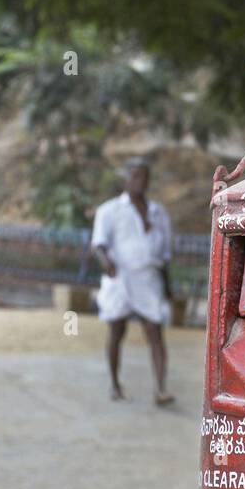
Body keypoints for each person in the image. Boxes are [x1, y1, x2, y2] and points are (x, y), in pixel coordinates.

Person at [90, 160, 175, 405]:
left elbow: (166, 253)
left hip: (149, 279)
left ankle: (161, 389)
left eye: (144, 177)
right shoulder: (110, 210)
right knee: (117, 330)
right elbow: (98, 244)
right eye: (135, 176)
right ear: (126, 179)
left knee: (155, 331)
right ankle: (115, 384)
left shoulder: (158, 212)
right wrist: (106, 262)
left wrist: (168, 286)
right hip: (120, 279)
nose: (140, 181)